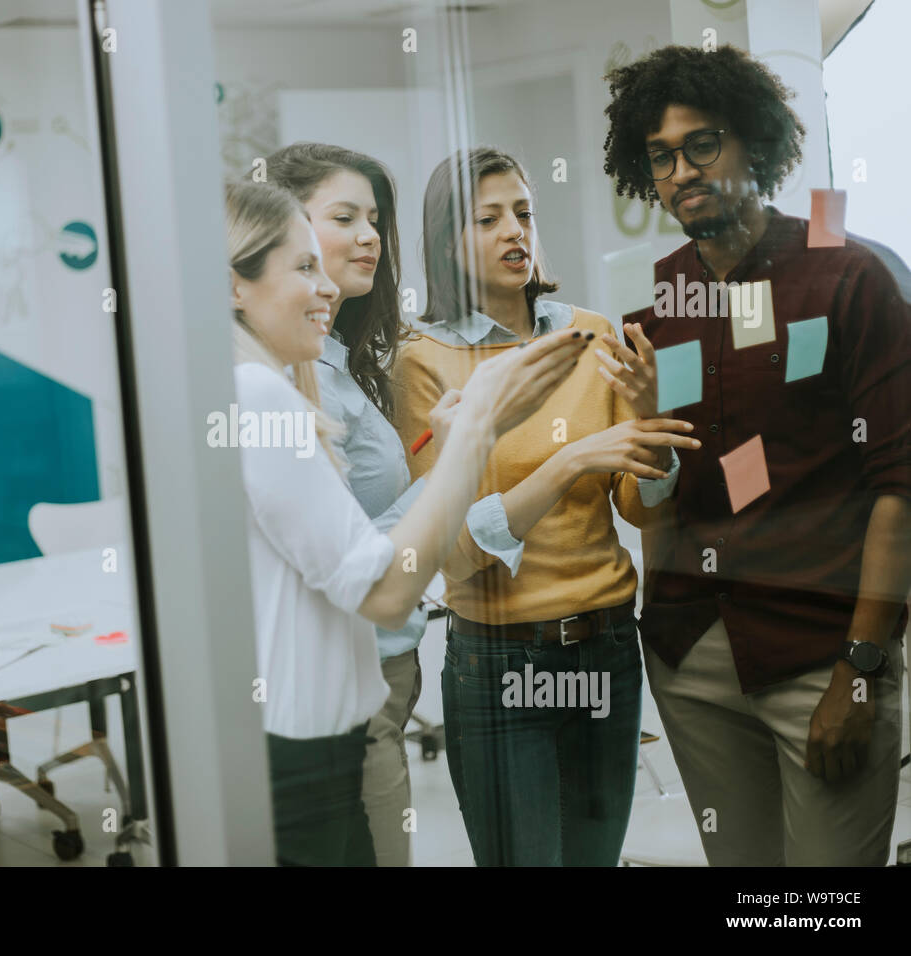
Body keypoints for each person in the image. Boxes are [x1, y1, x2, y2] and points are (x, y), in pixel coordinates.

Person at [602, 43, 911, 866]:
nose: (681, 170)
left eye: (702, 144)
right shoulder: (662, 306)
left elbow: (898, 489)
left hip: (821, 652)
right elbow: (663, 498)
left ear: (753, 144)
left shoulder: (846, 277)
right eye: (661, 156)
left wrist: (864, 668)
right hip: (694, 653)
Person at [223, 181, 587, 865]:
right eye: (303, 267)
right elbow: (388, 593)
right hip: (297, 762)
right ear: (236, 285)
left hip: (310, 750)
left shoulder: (261, 391)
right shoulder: (259, 399)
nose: (326, 284)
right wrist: (475, 432)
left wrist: (457, 450)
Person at [392, 147, 699, 865]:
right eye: (488, 218)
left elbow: (643, 508)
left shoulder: (592, 334)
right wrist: (568, 463)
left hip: (606, 647)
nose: (514, 232)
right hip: (498, 660)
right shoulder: (420, 361)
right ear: (446, 243)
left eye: (523, 214)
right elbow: (455, 546)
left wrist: (651, 423)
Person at [263, 142, 426, 867]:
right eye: (345, 217)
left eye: (376, 220)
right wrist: (457, 475)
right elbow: (352, 558)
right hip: (348, 681)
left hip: (379, 671)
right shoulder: (295, 384)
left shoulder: (333, 364)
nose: (370, 236)